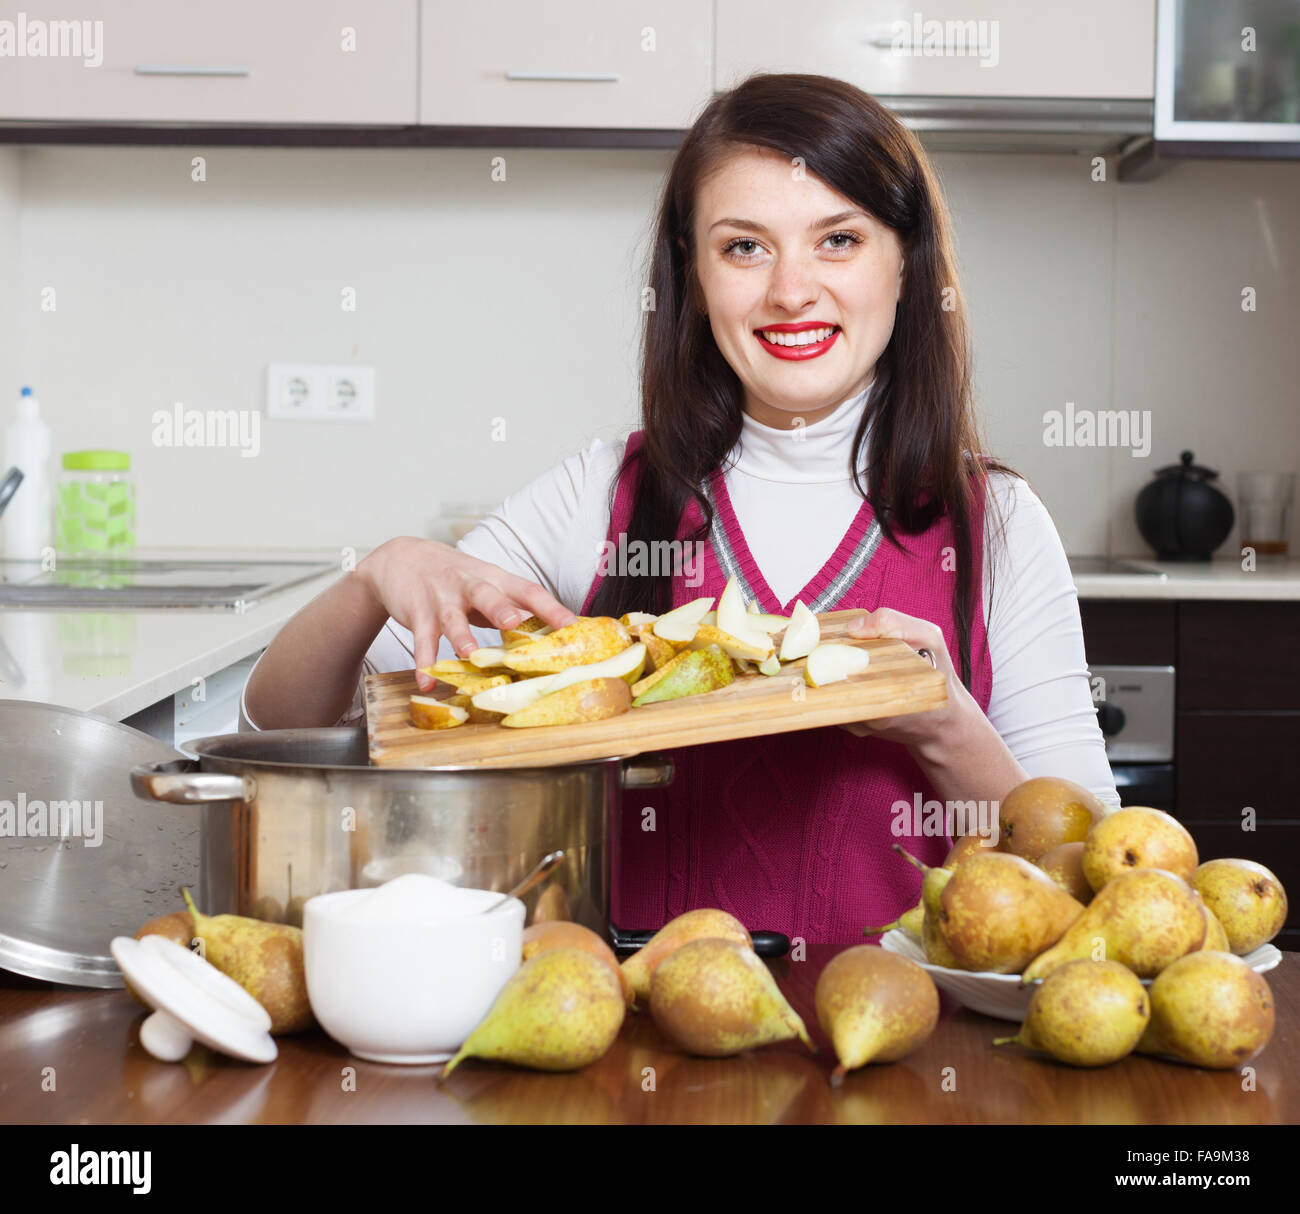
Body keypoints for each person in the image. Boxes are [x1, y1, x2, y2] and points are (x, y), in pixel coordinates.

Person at [242, 73, 1119, 945]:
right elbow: (289, 734)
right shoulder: (599, 497)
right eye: (745, 247)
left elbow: (1085, 876)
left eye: (839, 240)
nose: (791, 290)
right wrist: (374, 578)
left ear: (905, 263)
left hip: (911, 1059)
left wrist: (941, 723)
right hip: (621, 1052)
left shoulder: (995, 523)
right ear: (693, 278)